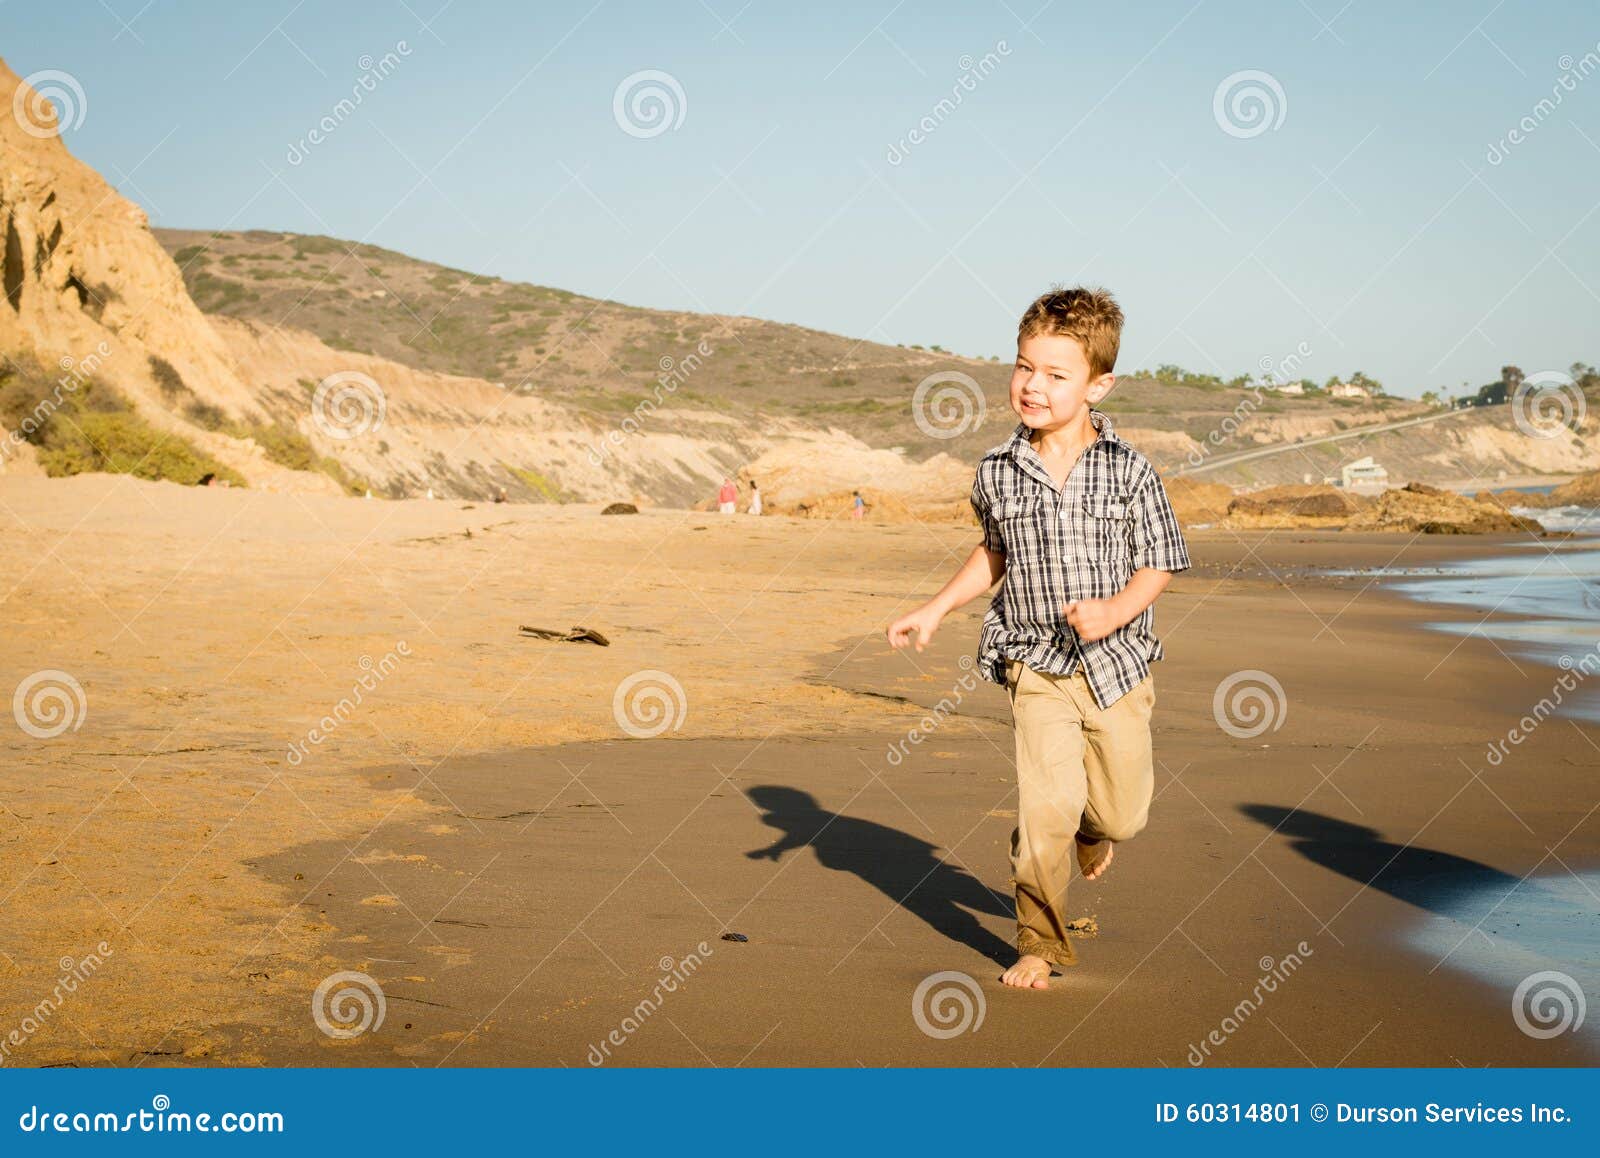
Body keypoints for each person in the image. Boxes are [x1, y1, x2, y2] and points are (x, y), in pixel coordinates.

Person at [886, 286, 1190, 991]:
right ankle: (1039, 942)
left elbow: (1162, 560)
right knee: (1044, 806)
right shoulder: (998, 470)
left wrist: (1116, 611)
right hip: (1035, 665)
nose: (1033, 385)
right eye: (1025, 367)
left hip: (1117, 665)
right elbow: (992, 553)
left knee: (1123, 812)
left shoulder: (1128, 469)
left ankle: (1090, 830)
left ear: (1098, 384)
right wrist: (933, 609)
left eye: (1056, 374)